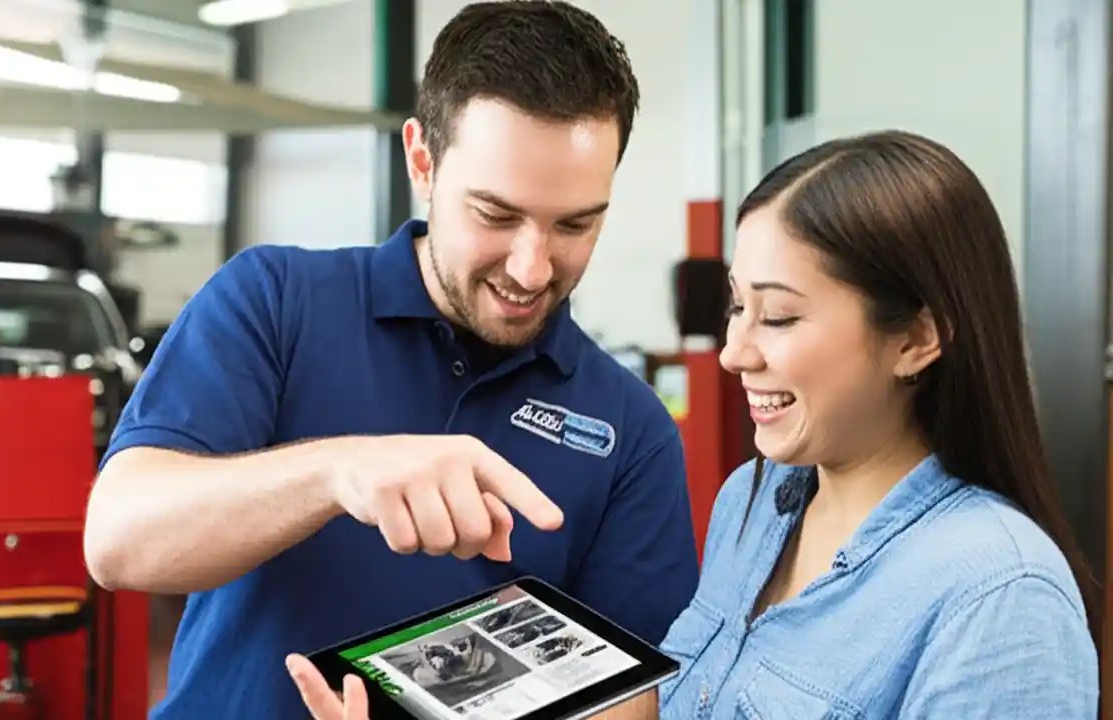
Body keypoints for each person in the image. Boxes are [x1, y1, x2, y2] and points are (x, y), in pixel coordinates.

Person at [284, 129, 1102, 719]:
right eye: (736, 306)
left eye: (779, 317)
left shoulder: (1000, 596)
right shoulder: (755, 501)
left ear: (917, 338)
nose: (734, 352)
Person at [82, 2, 699, 718]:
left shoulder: (630, 429)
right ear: (422, 161)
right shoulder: (275, 301)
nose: (531, 269)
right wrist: (338, 471)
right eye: (495, 215)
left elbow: (633, 698)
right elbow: (119, 542)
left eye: (574, 224)